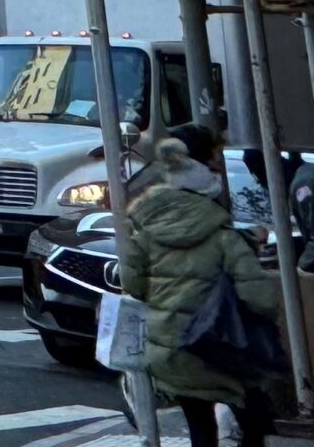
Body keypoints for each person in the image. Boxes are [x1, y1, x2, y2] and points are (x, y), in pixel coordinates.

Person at [119, 130, 283, 447]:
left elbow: (133, 284)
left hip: (171, 347)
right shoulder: (222, 232)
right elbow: (258, 297)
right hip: (219, 347)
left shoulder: (145, 227)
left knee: (200, 427)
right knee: (252, 421)